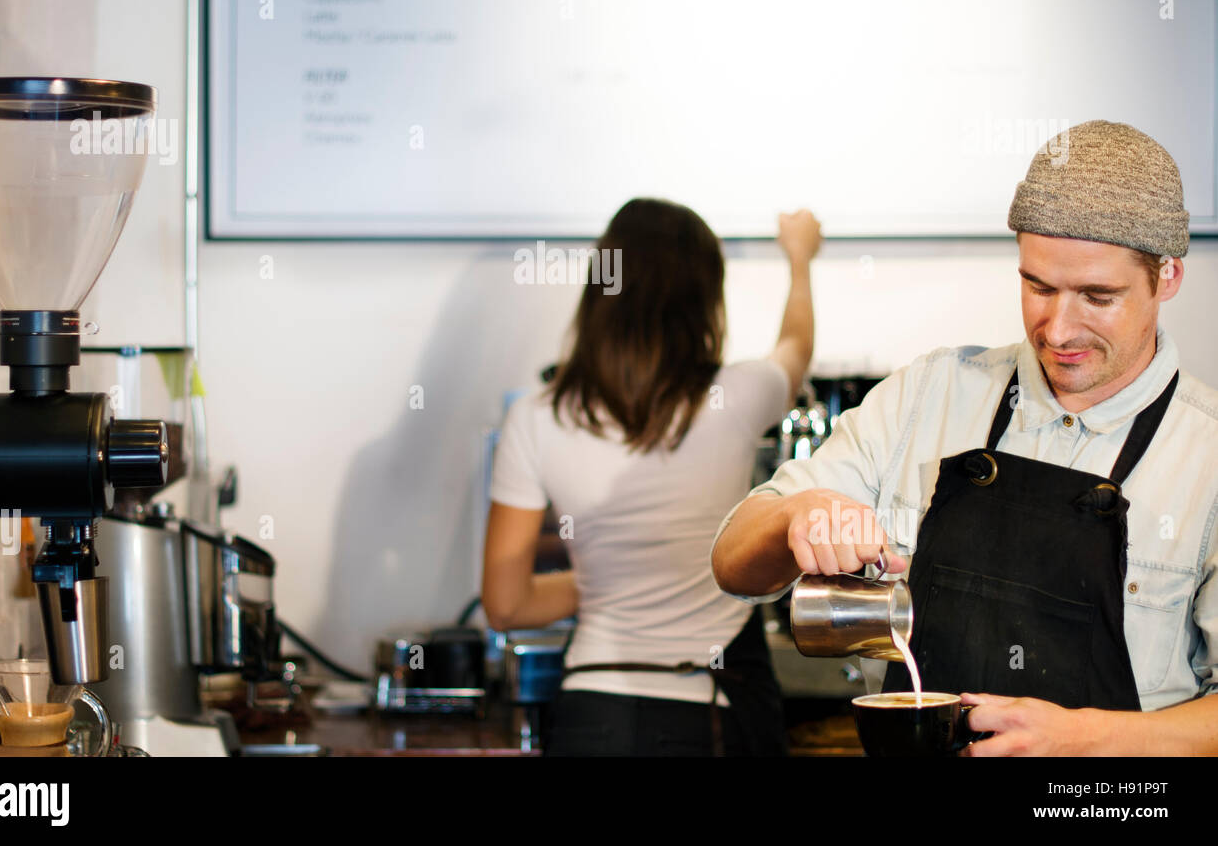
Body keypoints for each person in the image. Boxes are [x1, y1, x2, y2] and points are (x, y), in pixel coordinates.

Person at [712, 121, 1218, 756]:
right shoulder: (930, 394)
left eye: (1098, 296)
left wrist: (1088, 739)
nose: (1058, 328)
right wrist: (795, 514)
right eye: (1038, 287)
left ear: (1167, 276)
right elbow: (732, 563)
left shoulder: (1207, 455)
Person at [482, 198, 822, 756]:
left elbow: (507, 605)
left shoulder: (534, 418)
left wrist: (610, 578)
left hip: (589, 715)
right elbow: (796, 347)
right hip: (711, 711)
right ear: (704, 302)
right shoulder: (737, 395)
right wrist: (800, 259)